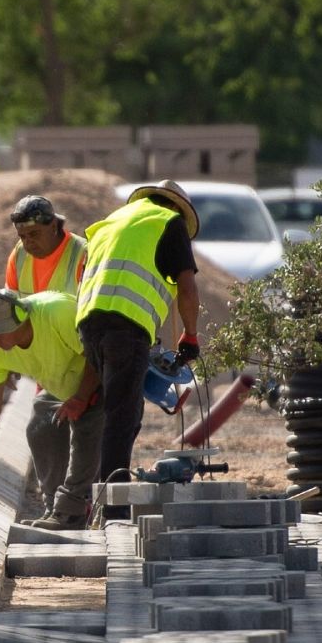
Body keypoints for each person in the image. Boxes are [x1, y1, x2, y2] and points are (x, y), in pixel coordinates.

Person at [75, 179, 201, 498]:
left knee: (109, 409)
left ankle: (82, 494)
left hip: (89, 322)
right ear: (177, 209)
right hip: (126, 326)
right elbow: (187, 288)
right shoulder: (169, 223)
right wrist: (190, 335)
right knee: (122, 417)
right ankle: (112, 506)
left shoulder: (112, 222)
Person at [0, 288, 103, 529]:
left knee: (87, 431)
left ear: (19, 320)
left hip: (102, 378)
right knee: (40, 427)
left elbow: (98, 355)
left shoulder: (57, 314)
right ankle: (55, 506)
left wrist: (81, 398)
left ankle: (73, 510)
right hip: (64, 387)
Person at [6, 195, 88, 296]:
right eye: (22, 236)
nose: (28, 242)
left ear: (53, 227)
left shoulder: (83, 255)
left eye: (34, 234)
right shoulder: (19, 255)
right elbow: (10, 304)